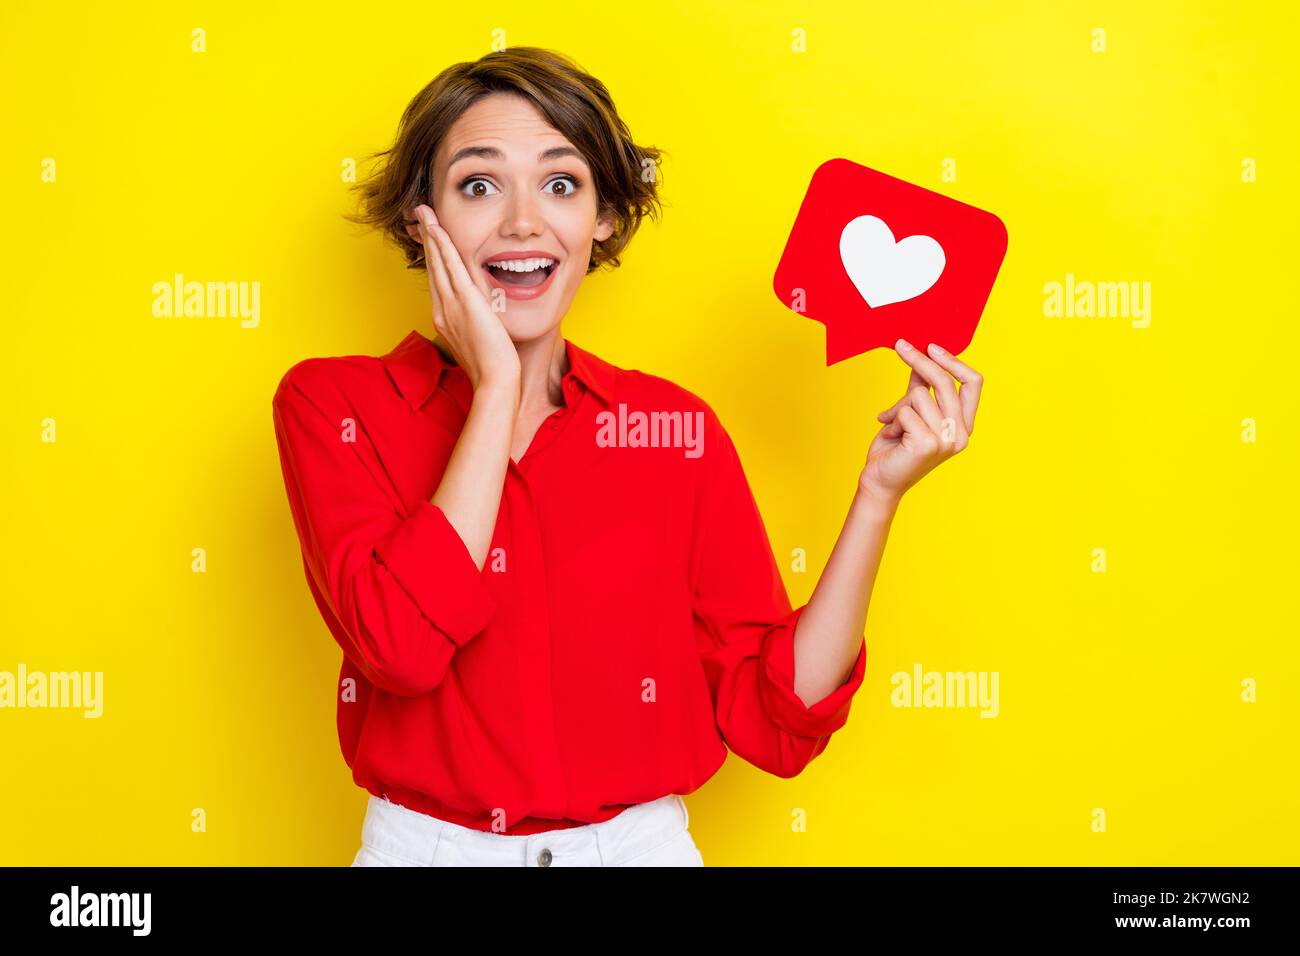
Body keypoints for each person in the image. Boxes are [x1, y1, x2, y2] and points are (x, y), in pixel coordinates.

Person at [270, 46, 983, 867]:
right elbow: (400, 647)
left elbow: (774, 717)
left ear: (603, 217)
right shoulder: (335, 407)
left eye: (561, 184)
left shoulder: (672, 430)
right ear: (418, 219)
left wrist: (878, 494)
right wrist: (496, 385)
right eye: (477, 185)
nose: (522, 223)